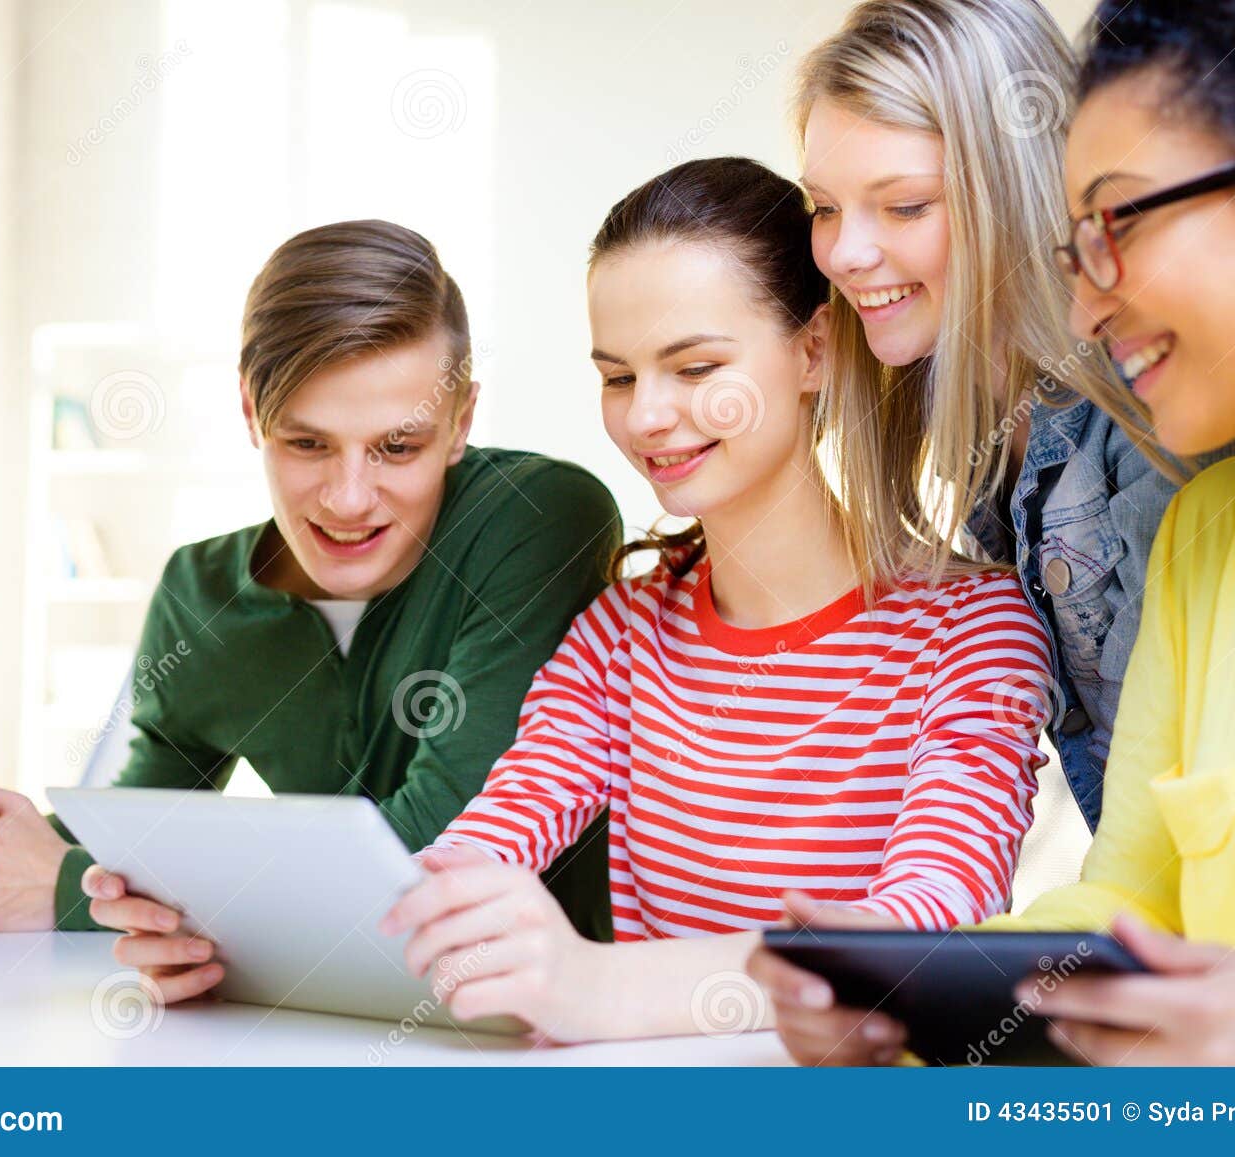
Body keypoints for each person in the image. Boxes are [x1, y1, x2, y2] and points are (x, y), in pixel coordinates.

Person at [752, 0, 1235, 1066]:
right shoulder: (1212, 532)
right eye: (1078, 240)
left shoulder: (1154, 467)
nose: (1084, 306)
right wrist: (921, 992)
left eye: (1120, 223)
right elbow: (1129, 896)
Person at [333, 157, 1056, 1043]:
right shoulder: (619, 638)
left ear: (815, 349)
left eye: (695, 366)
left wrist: (600, 985)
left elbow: (924, 933)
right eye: (618, 377)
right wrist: (232, 926)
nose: (646, 417)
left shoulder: (973, 630)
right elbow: (483, 843)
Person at [0, 221, 620, 965]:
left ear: (461, 421)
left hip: (534, 1035)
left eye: (397, 447)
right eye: (307, 443)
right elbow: (142, 829)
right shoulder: (201, 591)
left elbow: (434, 849)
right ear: (251, 412)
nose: (348, 498)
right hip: (314, 1023)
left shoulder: (539, 520)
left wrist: (65, 886)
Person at [796, 0, 1235, 830]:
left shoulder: (1155, 418)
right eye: (824, 207)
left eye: (905, 206)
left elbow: (1196, 808)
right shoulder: (979, 424)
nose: (845, 253)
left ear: (1013, 189)